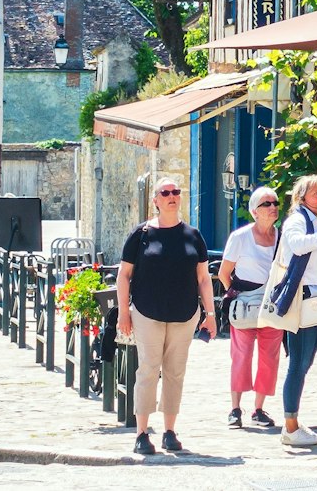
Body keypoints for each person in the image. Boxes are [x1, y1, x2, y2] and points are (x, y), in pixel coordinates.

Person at [116, 176, 216, 456]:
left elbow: (203, 278)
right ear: (156, 200)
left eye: (176, 192)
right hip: (147, 312)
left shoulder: (193, 235)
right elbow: (123, 275)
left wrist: (210, 313)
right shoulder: (142, 234)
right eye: (165, 192)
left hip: (184, 314)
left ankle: (170, 431)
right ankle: (142, 433)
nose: (172, 196)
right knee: (148, 369)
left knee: (175, 372)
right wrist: (124, 311)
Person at [269, 174, 317, 449]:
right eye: (316, 194)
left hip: (316, 301)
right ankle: (290, 426)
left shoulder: (312, 221)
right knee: (298, 363)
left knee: (305, 363)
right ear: (301, 197)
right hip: (303, 300)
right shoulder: (298, 220)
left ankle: (293, 422)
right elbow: (298, 245)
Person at [218, 186, 283, 429]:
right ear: (255, 211)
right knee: (241, 356)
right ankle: (235, 408)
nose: (273, 207)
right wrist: (236, 295)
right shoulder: (240, 237)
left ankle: (258, 408)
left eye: (275, 203)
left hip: (271, 306)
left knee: (269, 358)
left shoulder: (281, 237)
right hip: (245, 305)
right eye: (267, 204)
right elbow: (225, 273)